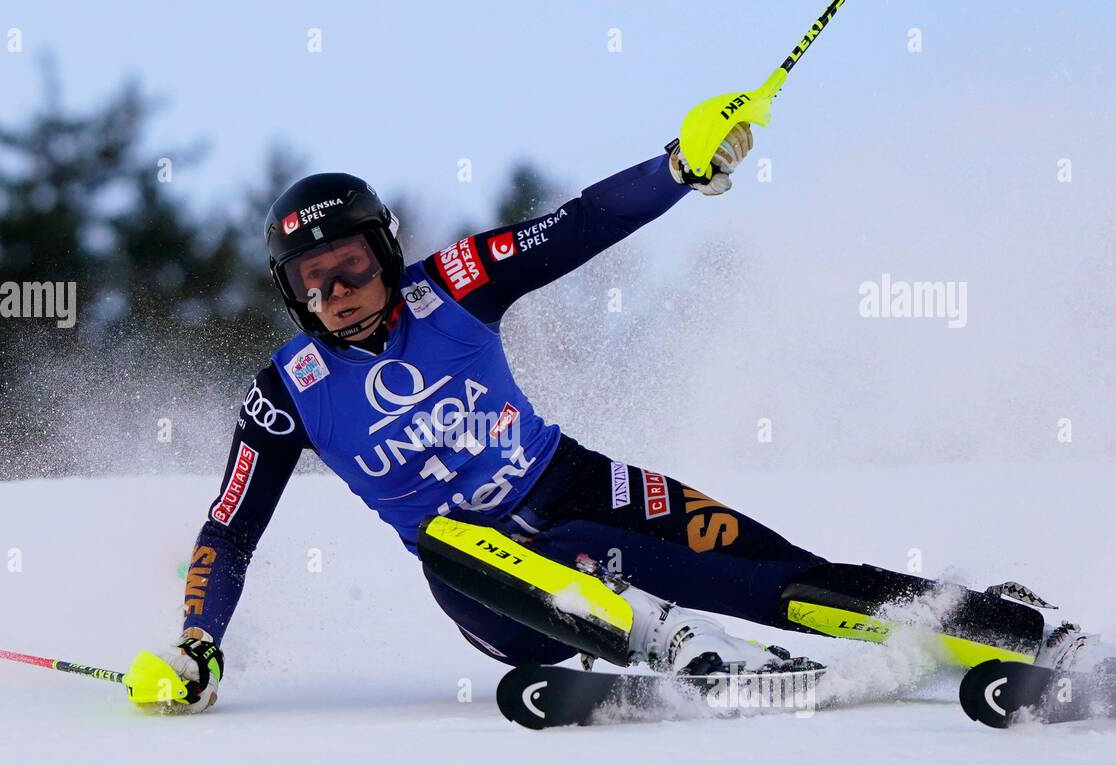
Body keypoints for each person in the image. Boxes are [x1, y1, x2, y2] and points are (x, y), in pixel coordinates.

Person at [140, 123, 1076, 713]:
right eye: (312, 282)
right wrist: (197, 643)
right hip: (490, 586)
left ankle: (1002, 622)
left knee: (780, 576)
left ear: (386, 252)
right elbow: (230, 527)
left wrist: (678, 167)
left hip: (577, 484)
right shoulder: (286, 390)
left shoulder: (454, 285)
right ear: (291, 297)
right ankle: (665, 635)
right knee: (447, 540)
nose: (336, 291)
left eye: (350, 265)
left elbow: (577, 224)